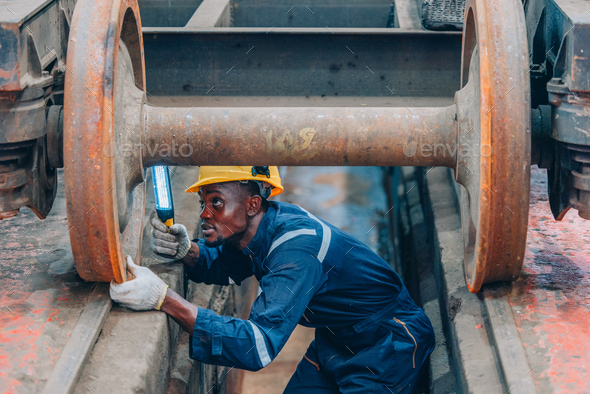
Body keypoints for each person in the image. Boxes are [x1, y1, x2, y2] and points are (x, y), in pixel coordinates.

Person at [110, 166, 435, 393]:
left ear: (252, 204)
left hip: (388, 344)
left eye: (216, 203)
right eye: (203, 203)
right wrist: (188, 252)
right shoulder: (262, 225)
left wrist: (163, 298)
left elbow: (258, 346)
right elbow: (229, 267)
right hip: (338, 340)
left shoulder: (295, 252)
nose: (204, 215)